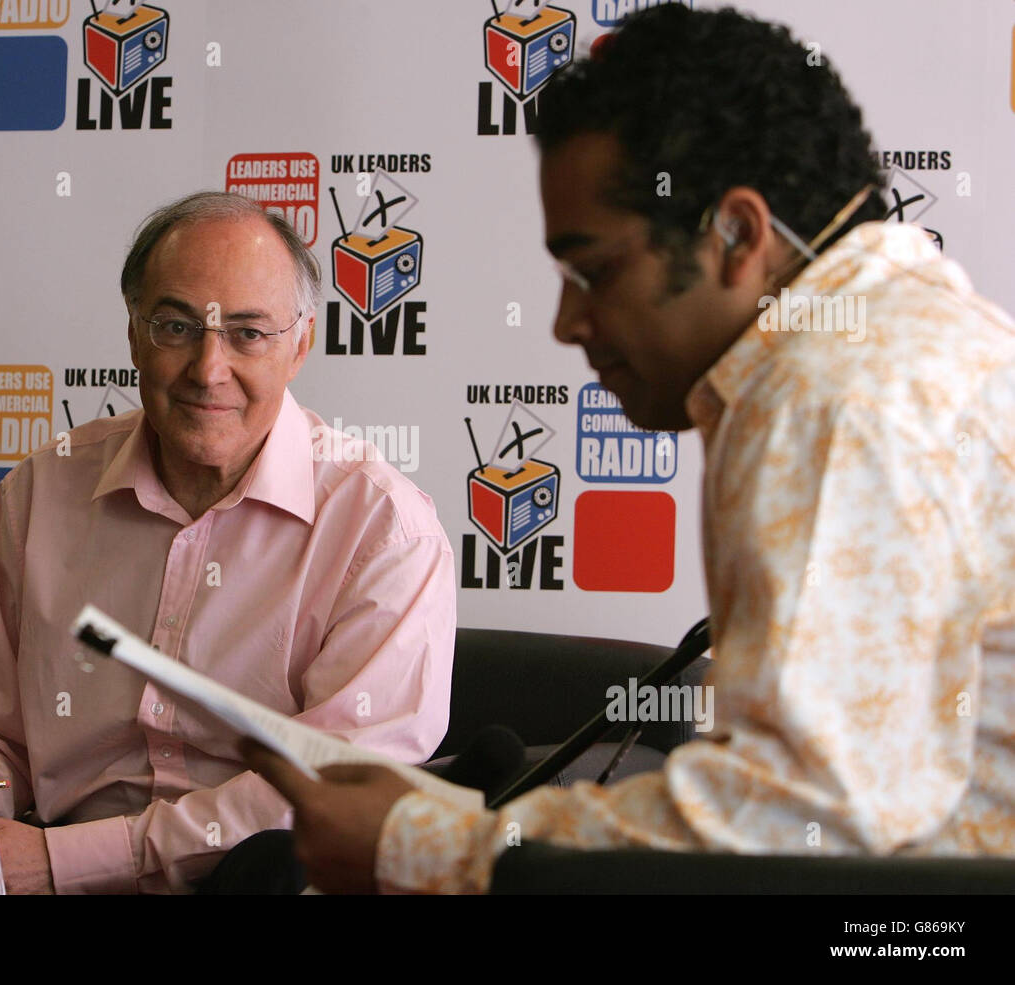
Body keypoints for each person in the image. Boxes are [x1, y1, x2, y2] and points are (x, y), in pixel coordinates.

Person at [245, 4, 1015, 892]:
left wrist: (420, 844)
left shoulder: (827, 395)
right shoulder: (900, 336)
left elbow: (796, 827)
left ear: (736, 235)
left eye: (594, 270)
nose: (567, 322)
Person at [0, 192, 457, 893]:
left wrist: (58, 861)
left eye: (248, 333)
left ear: (300, 345)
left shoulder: (383, 530)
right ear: (135, 334)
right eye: (177, 325)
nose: (207, 368)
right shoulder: (39, 494)